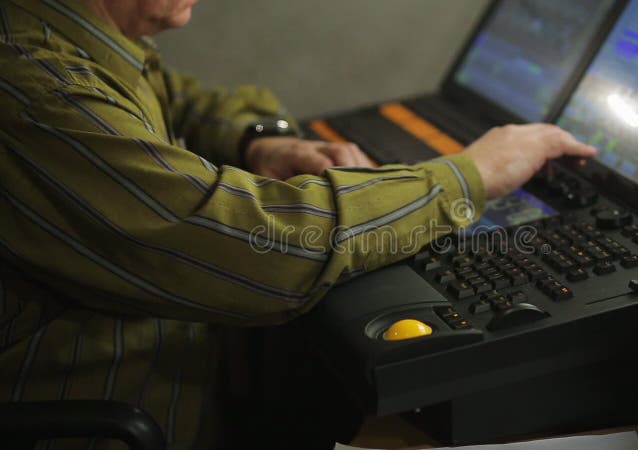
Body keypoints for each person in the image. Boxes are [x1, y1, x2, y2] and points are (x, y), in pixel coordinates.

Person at [0, 0, 597, 449]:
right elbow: (262, 251)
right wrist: (469, 175)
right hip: (123, 420)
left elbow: (173, 97)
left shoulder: (76, 33)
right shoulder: (32, 83)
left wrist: (259, 141)